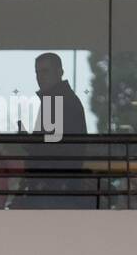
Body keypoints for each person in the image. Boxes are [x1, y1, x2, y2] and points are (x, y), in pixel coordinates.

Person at [16, 52, 90, 209]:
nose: (40, 77)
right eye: (37, 72)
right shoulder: (64, 99)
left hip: (51, 188)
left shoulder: (55, 100)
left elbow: (49, 147)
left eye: (45, 71)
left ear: (59, 72)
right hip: (60, 187)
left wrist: (28, 144)